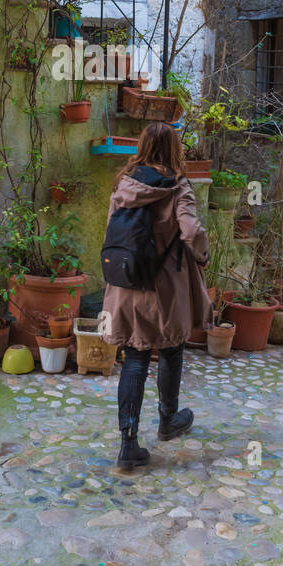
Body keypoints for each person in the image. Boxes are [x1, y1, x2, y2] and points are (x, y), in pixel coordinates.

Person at [102, 122, 212, 470]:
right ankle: (168, 420)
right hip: (164, 285)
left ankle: (128, 443)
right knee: (171, 348)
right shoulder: (178, 187)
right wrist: (202, 254)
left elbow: (112, 228)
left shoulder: (124, 183)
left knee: (134, 356)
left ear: (143, 146)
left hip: (128, 282)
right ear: (174, 149)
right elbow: (192, 231)